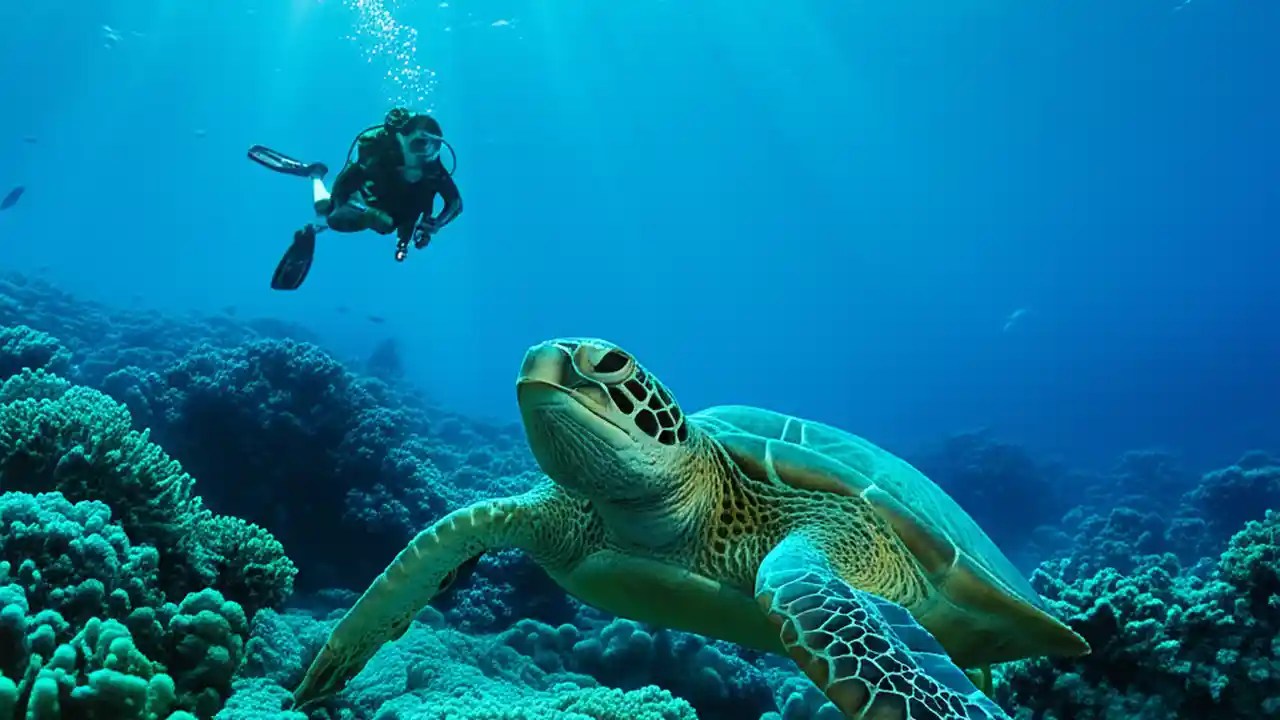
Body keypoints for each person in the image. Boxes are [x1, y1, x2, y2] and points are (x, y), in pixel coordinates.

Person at [247, 107, 463, 290]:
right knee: (324, 209)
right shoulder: (376, 152)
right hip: (366, 199)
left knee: (381, 224)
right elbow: (346, 183)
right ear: (400, 138)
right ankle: (315, 175)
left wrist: (435, 224)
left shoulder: (433, 169)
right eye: (420, 144)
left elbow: (455, 203)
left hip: (393, 212)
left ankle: (323, 214)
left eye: (435, 146)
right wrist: (341, 207)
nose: (427, 154)